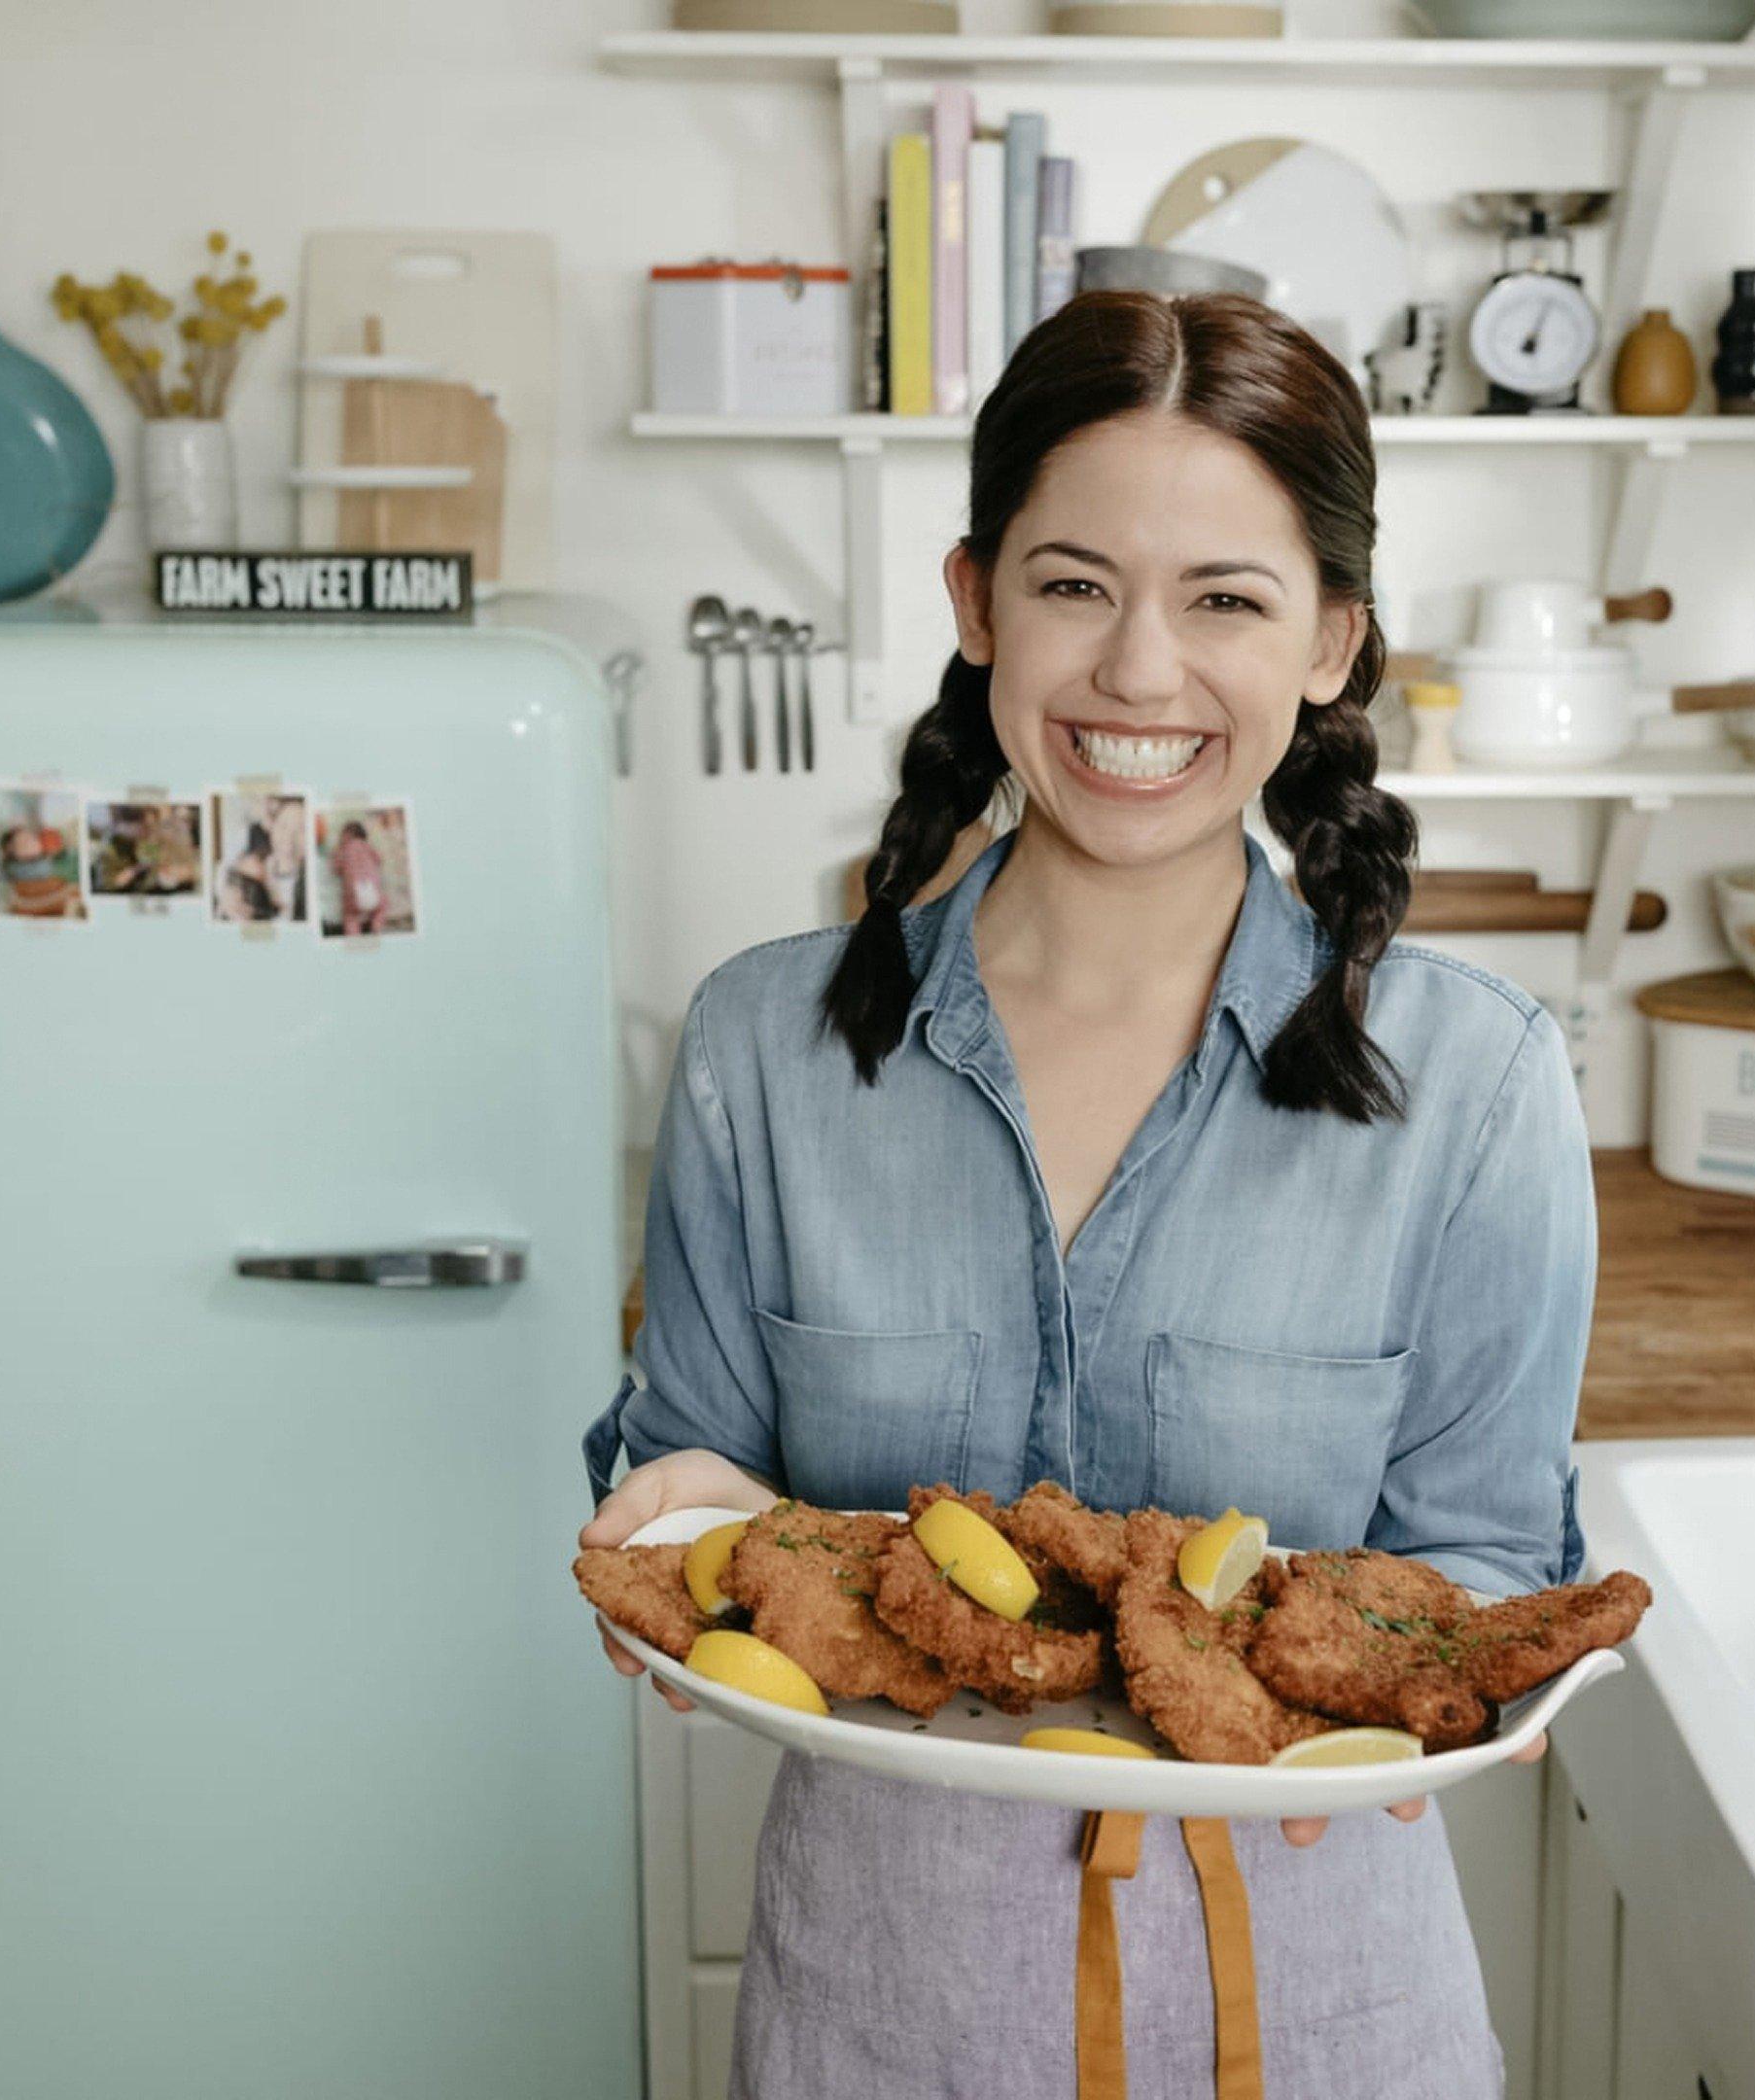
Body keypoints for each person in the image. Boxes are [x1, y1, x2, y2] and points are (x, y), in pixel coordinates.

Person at [579, 292, 1595, 2098]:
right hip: (881, 2012)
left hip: (1320, 2014)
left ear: (1334, 643)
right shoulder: (763, 1049)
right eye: (1073, 585)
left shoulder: (1482, 1085)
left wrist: (1464, 1662)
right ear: (974, 606)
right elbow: (702, 1498)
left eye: (1225, 598)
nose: (1140, 671)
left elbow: (1497, 1562)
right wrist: (680, 1528)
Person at [333, 819, 386, 934]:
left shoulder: (342, 849)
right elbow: (379, 860)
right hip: (373, 891)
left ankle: (353, 937)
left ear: (347, 835)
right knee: (381, 907)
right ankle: (376, 927)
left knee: (351, 916)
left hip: (354, 894)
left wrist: (336, 854)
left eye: (342, 834)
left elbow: (336, 870)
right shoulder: (367, 846)